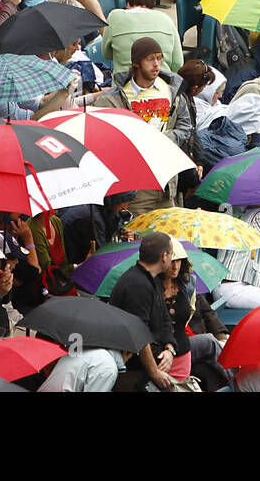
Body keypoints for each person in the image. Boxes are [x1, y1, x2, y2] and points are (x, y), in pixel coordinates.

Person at [94, 36, 196, 211]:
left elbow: (185, 125)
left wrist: (164, 139)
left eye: (159, 58)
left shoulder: (171, 90)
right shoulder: (113, 98)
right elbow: (103, 137)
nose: (157, 64)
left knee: (168, 235)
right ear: (136, 63)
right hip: (136, 186)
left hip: (167, 183)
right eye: (150, 59)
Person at [106, 231, 177, 391]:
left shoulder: (153, 279)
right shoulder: (137, 285)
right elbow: (139, 333)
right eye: (172, 254)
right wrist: (154, 373)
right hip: (134, 368)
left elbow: (165, 318)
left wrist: (169, 348)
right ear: (164, 256)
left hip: (156, 355)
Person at [100, 0, 184, 73]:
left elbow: (106, 54)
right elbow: (177, 63)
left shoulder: (114, 17)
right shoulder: (166, 19)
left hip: (123, 85)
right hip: (162, 84)